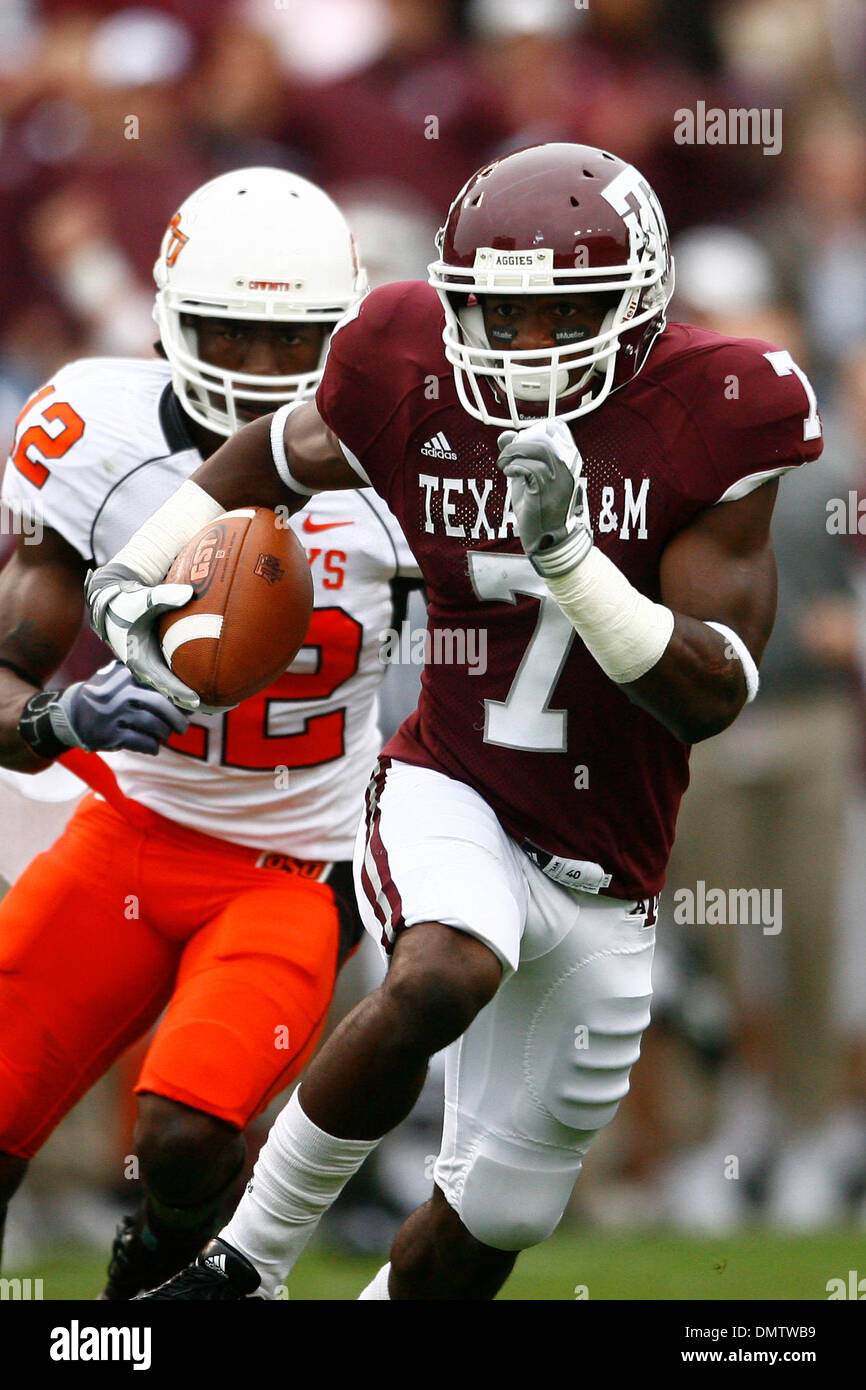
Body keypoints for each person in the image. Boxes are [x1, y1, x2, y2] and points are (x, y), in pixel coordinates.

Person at [87, 143, 822, 1301]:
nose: (523, 343)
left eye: (558, 312)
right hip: (452, 778)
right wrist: (132, 566)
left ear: (633, 308)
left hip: (607, 868)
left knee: (484, 1233)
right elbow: (275, 454)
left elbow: (713, 688)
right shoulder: (403, 352)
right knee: (440, 970)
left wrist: (569, 561)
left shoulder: (719, 404)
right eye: (497, 309)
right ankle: (241, 1268)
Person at [0, 166, 420, 1298]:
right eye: (235, 331)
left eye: (295, 341)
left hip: (290, 865)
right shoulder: (98, 428)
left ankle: (141, 1295)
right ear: (170, 318)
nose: (265, 371)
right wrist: (55, 715)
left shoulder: (403, 464)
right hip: (127, 827)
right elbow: (5, 670)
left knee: (185, 1136)